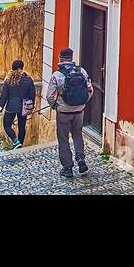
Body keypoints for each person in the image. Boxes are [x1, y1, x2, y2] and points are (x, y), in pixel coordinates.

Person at [44, 47, 93, 178]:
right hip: (79, 111)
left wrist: (56, 106)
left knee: (63, 138)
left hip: (63, 112)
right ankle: (81, 160)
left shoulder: (57, 75)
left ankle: (67, 168)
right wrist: (82, 103)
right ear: (72, 58)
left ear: (60, 58)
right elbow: (90, 90)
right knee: (78, 135)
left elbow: (49, 96)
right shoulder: (81, 71)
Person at [0, 59, 36, 150]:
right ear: (22, 67)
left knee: (7, 125)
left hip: (11, 106)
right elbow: (32, 94)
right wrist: (32, 105)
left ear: (12, 68)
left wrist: (0, 107)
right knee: (22, 126)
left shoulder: (9, 80)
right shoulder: (28, 79)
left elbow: (4, 95)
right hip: (24, 106)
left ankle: (15, 141)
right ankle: (20, 145)